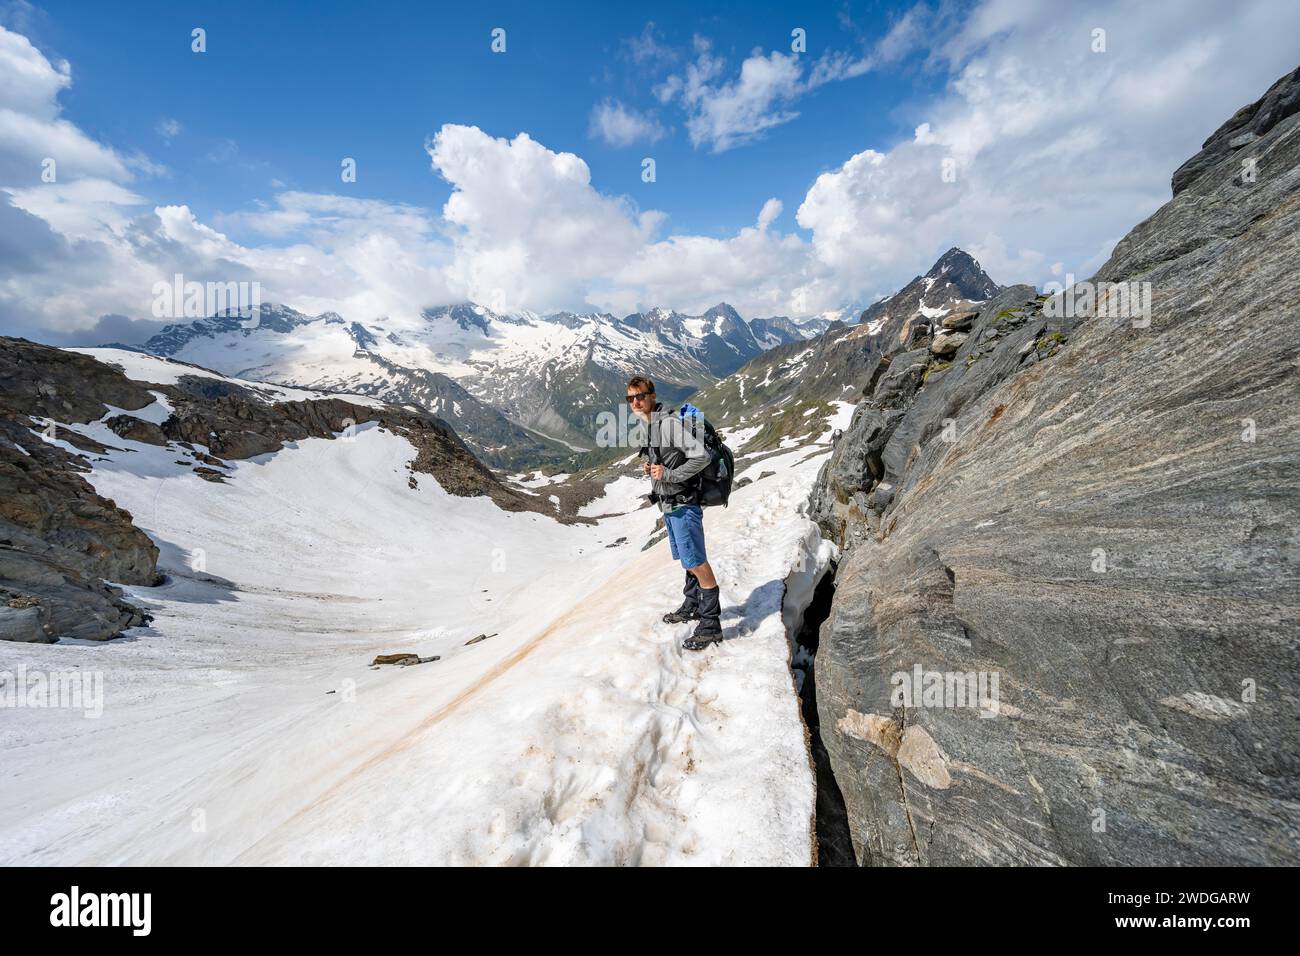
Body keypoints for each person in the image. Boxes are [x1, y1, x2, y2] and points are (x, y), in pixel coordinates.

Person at [626, 376, 723, 650]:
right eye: (631, 398)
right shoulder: (652, 424)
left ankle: (711, 624)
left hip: (683, 504)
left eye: (640, 396)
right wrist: (654, 470)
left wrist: (668, 473)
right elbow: (669, 460)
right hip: (670, 505)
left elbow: (701, 457)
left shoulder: (667, 424)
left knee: (697, 562)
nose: (636, 402)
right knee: (687, 559)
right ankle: (692, 605)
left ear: (652, 395)